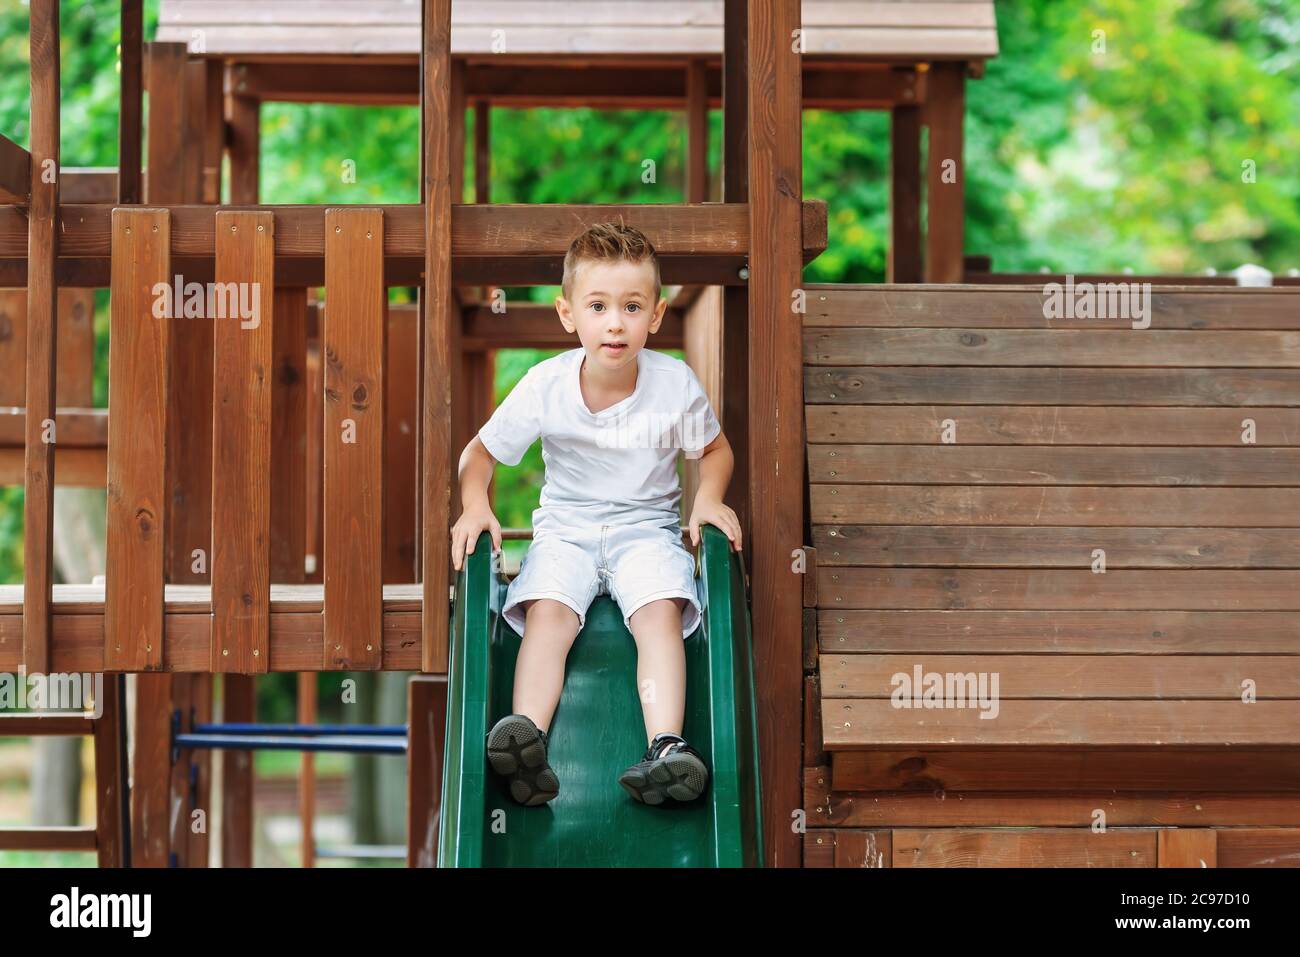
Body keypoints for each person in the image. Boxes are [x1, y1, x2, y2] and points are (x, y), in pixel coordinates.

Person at [450, 222, 742, 807]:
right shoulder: (545, 385)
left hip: (646, 532)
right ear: (568, 314)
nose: (615, 322)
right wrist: (475, 507)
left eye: (632, 306)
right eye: (599, 306)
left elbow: (714, 451)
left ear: (656, 316)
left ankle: (666, 748)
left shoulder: (673, 384)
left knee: (659, 614)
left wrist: (708, 497)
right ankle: (524, 735)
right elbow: (478, 455)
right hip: (568, 533)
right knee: (548, 614)